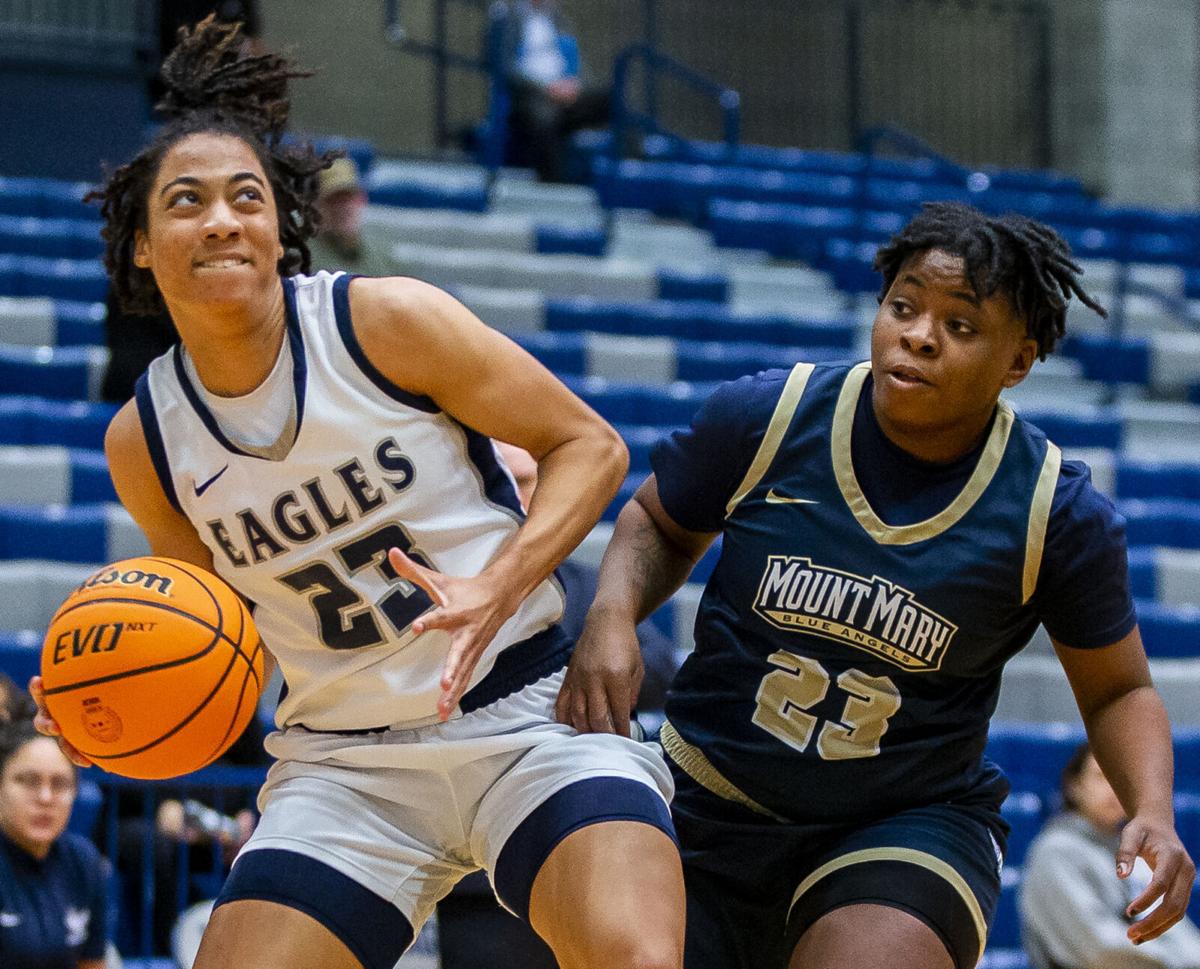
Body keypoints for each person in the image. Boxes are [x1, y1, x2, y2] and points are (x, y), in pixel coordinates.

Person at [31, 17, 682, 969]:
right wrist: (113, 715)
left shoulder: (382, 321)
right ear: (137, 244)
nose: (221, 219)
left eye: (245, 197)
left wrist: (497, 583)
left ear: (279, 225)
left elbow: (588, 443)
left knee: (637, 958)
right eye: (186, 201)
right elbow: (227, 638)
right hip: (344, 765)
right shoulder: (146, 439)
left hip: (526, 717)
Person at [559, 201, 1197, 969]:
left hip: (904, 822)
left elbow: (1118, 691)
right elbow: (660, 523)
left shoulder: (1053, 512)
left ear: (1018, 361)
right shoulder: (772, 415)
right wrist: (612, 614)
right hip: (708, 791)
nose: (919, 335)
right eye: (903, 306)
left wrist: (1152, 810)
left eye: (959, 326)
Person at [1021, 743, 1200, 969]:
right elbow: (1099, 950)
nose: (1113, 788)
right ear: (1074, 786)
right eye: (1101, 777)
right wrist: (1182, 963)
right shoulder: (1054, 851)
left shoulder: (1135, 853)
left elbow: (1172, 929)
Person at [0, 720, 110, 969]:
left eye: (60, 784)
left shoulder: (83, 861)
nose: (45, 797)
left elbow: (92, 963)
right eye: (28, 781)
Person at [501, 0, 609, 182]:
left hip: (568, 93)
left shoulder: (560, 21)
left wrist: (575, 86)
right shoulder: (508, 20)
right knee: (544, 119)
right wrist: (547, 88)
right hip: (532, 97)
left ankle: (634, 173)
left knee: (612, 100)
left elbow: (580, 64)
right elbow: (506, 67)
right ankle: (553, 185)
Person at [306, 157, 394, 278]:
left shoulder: (381, 256)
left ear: (362, 199)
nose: (345, 208)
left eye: (350, 198)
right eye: (335, 200)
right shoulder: (303, 256)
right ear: (316, 206)